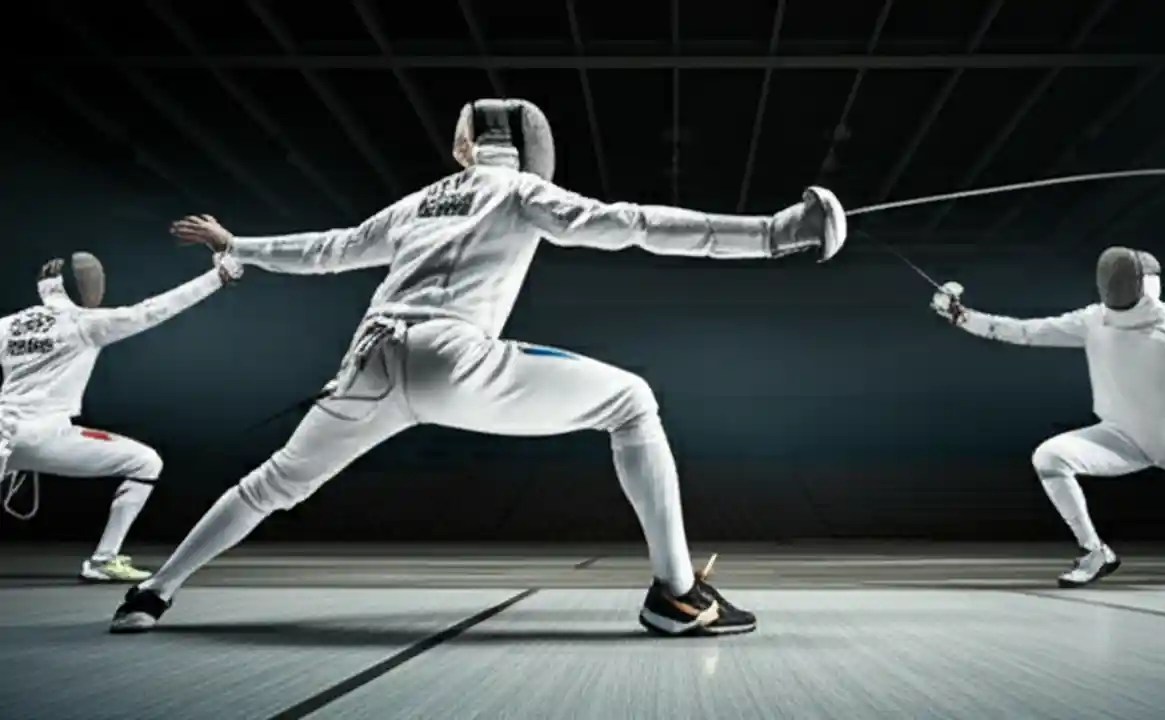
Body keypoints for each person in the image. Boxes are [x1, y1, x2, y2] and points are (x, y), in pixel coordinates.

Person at [110, 97, 848, 635]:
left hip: (366, 362)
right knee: (631, 401)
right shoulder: (520, 190)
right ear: (528, 143)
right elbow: (635, 225)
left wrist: (238, 245)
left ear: (467, 142)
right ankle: (677, 595)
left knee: (273, 484)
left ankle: (152, 595)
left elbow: (329, 251)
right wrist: (771, 235)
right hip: (450, 358)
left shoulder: (420, 201)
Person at [930, 247, 1165, 587]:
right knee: (1050, 457)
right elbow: (1023, 331)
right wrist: (963, 317)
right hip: (1120, 438)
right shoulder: (1091, 321)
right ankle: (1095, 552)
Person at [0, 251, 242, 581]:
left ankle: (105, 561)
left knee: (144, 461)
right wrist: (217, 278)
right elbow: (155, 309)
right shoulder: (87, 325)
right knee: (145, 462)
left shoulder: (10, 325)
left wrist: (51, 291)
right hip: (44, 438)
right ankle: (103, 560)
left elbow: (52, 314)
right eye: (92, 281)